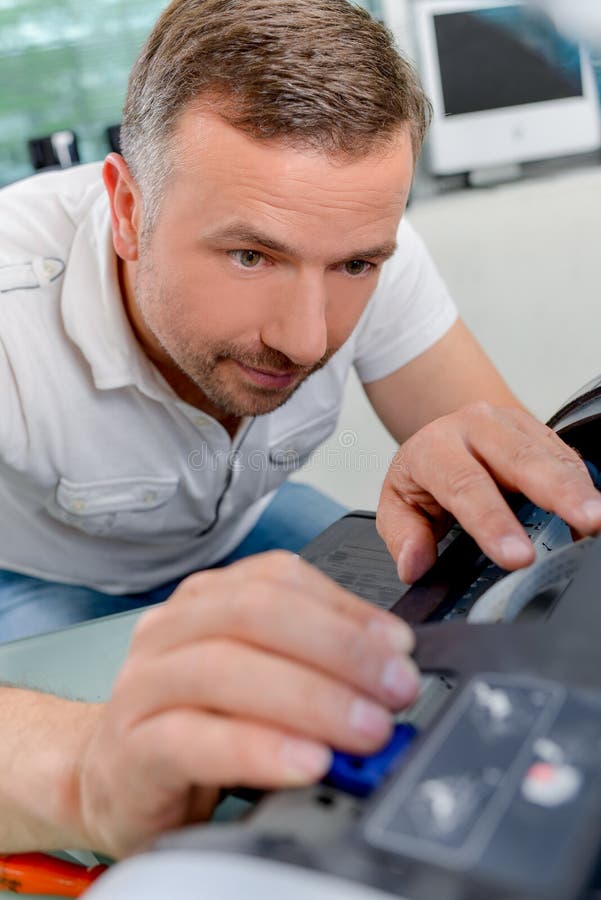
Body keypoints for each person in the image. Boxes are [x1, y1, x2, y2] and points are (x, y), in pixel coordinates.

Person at [0, 0, 599, 859]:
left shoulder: (365, 237)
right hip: (40, 573)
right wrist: (84, 776)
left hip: (244, 534)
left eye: (354, 265)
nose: (307, 340)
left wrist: (469, 471)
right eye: (251, 255)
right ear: (128, 209)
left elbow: (520, 485)